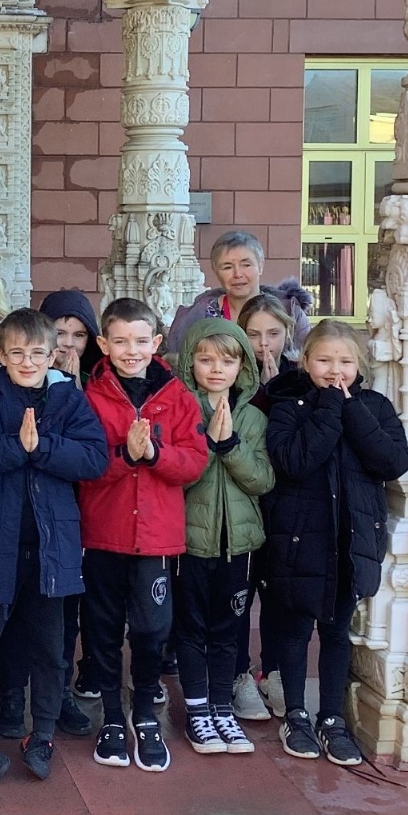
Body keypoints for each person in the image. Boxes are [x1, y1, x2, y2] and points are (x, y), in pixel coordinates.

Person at [0, 309, 107, 783]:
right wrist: (16, 446)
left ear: (53, 355)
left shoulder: (68, 400)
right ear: (0, 355)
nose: (27, 362)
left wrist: (40, 446)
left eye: (37, 353)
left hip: (50, 548)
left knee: (49, 648)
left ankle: (41, 733)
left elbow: (94, 458)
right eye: (16, 353)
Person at [264, 320, 408, 766]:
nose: (335, 370)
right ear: (305, 361)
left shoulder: (374, 407)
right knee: (295, 630)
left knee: (336, 632)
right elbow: (295, 460)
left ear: (359, 364)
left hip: (352, 540)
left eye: (345, 361)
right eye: (324, 360)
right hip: (300, 538)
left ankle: (332, 719)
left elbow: (393, 460)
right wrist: (329, 407)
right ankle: (295, 714)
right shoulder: (288, 406)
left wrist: (351, 409)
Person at [80, 297, 208, 773]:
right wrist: (124, 456)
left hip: (156, 538)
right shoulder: (89, 396)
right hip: (104, 533)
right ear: (103, 344)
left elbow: (194, 462)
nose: (131, 350)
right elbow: (83, 467)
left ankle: (145, 712)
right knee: (103, 628)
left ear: (155, 342)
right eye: (120, 341)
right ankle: (113, 716)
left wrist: (154, 454)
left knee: (153, 628)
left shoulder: (177, 396)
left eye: (140, 340)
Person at [173, 319, 274, 756]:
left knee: (228, 629)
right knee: (191, 628)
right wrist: (206, 446)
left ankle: (221, 707)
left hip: (239, 544)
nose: (216, 369)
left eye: (227, 362)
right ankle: (197, 709)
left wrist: (230, 444)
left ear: (242, 367)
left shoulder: (252, 417)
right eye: (206, 360)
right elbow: (176, 478)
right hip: (190, 542)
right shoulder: (179, 410)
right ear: (190, 363)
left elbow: (262, 480)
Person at [37, 289, 104, 725]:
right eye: (60, 333)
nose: (68, 344)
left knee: (69, 608)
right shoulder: (28, 374)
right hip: (38, 505)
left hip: (86, 510)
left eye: (79, 335)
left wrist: (76, 392)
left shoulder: (99, 379)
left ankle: (61, 690)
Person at [232, 292, 299, 721]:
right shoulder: (231, 376)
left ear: (286, 334)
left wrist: (277, 392)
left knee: (278, 593)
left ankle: (272, 670)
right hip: (242, 499)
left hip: (286, 503)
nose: (263, 344)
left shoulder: (299, 378)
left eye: (272, 334)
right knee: (240, 593)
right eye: (254, 335)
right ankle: (239, 674)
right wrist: (259, 392)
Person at [165, 230, 312, 358]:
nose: (237, 274)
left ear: (260, 265)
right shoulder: (196, 317)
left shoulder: (290, 313)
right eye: (227, 267)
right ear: (215, 270)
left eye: (246, 265)